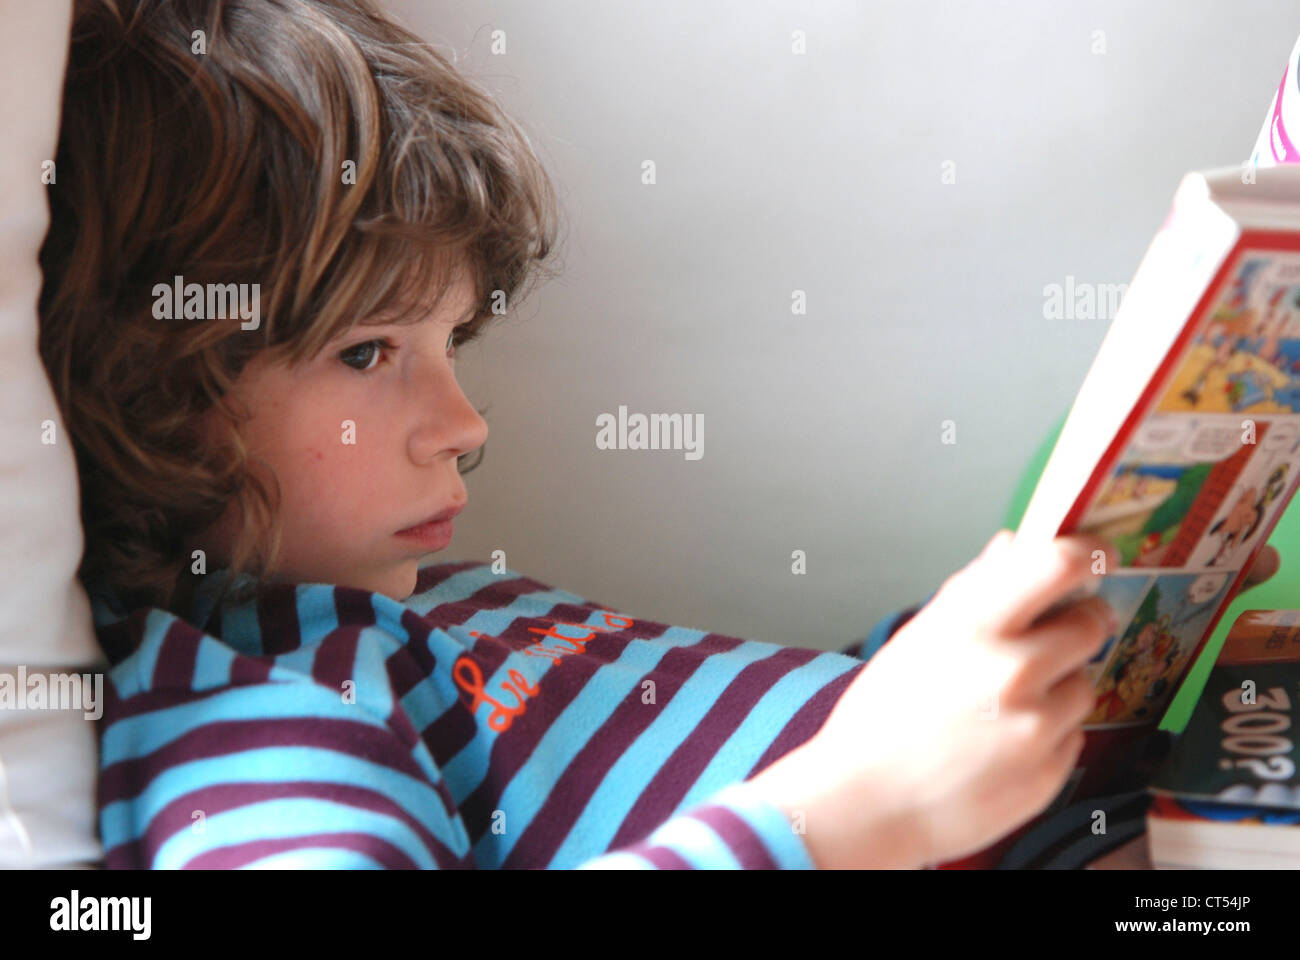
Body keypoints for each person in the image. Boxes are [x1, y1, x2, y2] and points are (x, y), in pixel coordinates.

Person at [31, 0, 1281, 870]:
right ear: (154, 388)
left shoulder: (448, 603)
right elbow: (819, 800)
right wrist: (850, 811)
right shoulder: (247, 706)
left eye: (448, 346)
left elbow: (739, 749)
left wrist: (997, 647)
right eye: (369, 354)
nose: (463, 428)